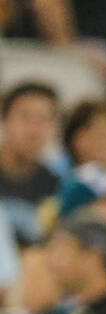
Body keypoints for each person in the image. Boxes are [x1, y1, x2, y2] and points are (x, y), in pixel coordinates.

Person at [0, 82, 59, 245]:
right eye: (25, 117)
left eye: (43, 119)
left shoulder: (57, 187)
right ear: (4, 120)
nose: (34, 130)